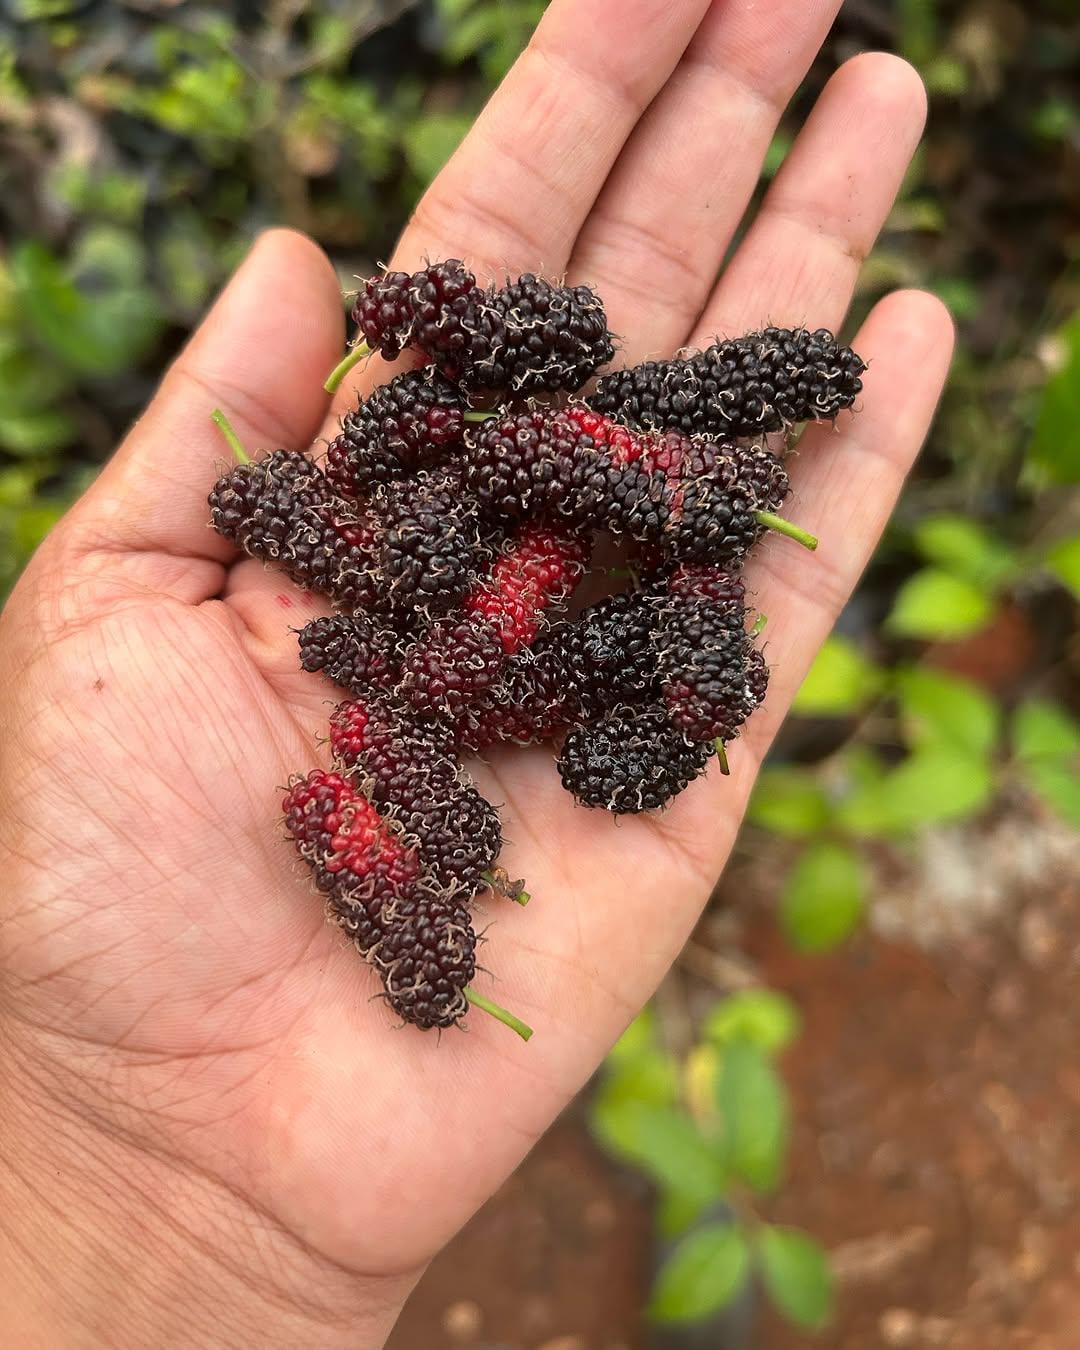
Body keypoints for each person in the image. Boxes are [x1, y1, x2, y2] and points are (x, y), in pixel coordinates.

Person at [0, 0, 953, 1343]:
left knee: (608, 499)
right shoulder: (416, 571)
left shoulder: (613, 534)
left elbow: (582, 503)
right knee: (548, 530)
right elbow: (466, 568)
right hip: (465, 613)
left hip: (558, 569)